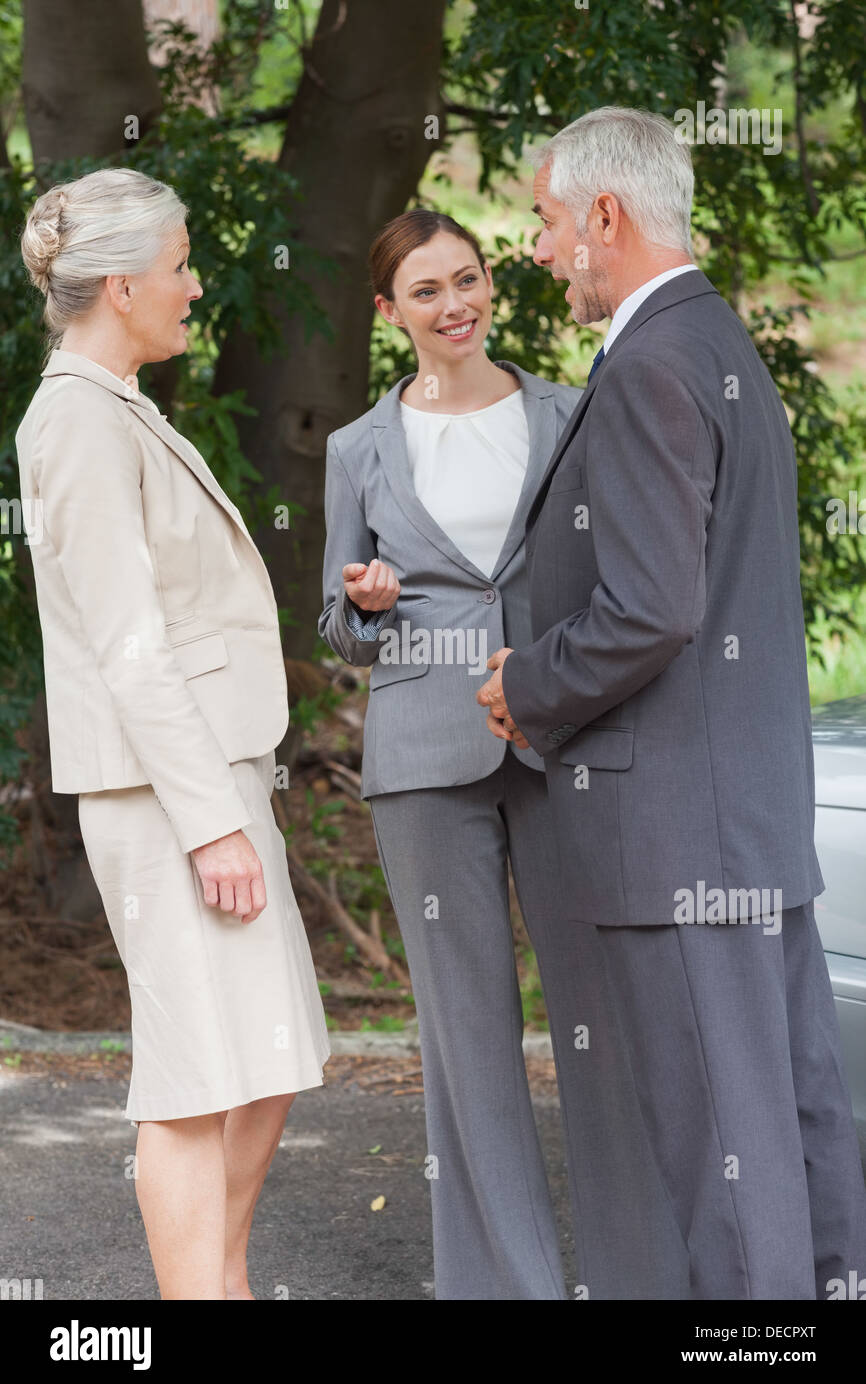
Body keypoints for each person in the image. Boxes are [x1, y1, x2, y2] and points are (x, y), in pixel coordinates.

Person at [478, 105, 866, 1299]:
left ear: (605, 214)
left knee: (725, 1164)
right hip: (743, 822)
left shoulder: (649, 363)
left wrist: (522, 686)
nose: (537, 252)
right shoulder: (719, 342)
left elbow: (652, 609)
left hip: (676, 842)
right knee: (793, 1137)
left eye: (546, 223)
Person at [319, 208, 685, 1300]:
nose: (455, 304)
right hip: (426, 760)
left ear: (491, 285)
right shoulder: (357, 448)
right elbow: (338, 631)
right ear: (390, 315)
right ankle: (502, 1287)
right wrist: (368, 603)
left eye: (467, 278)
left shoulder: (571, 412)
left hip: (565, 737)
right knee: (467, 1031)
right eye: (425, 291)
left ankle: (643, 1275)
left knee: (607, 1014)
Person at [15, 167, 330, 1300]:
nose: (194, 286)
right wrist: (209, 828)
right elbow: (128, 647)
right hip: (168, 799)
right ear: (119, 284)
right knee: (199, 1077)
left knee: (268, 1061)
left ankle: (217, 1278)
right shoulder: (77, 422)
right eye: (182, 265)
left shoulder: (117, 406)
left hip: (211, 778)